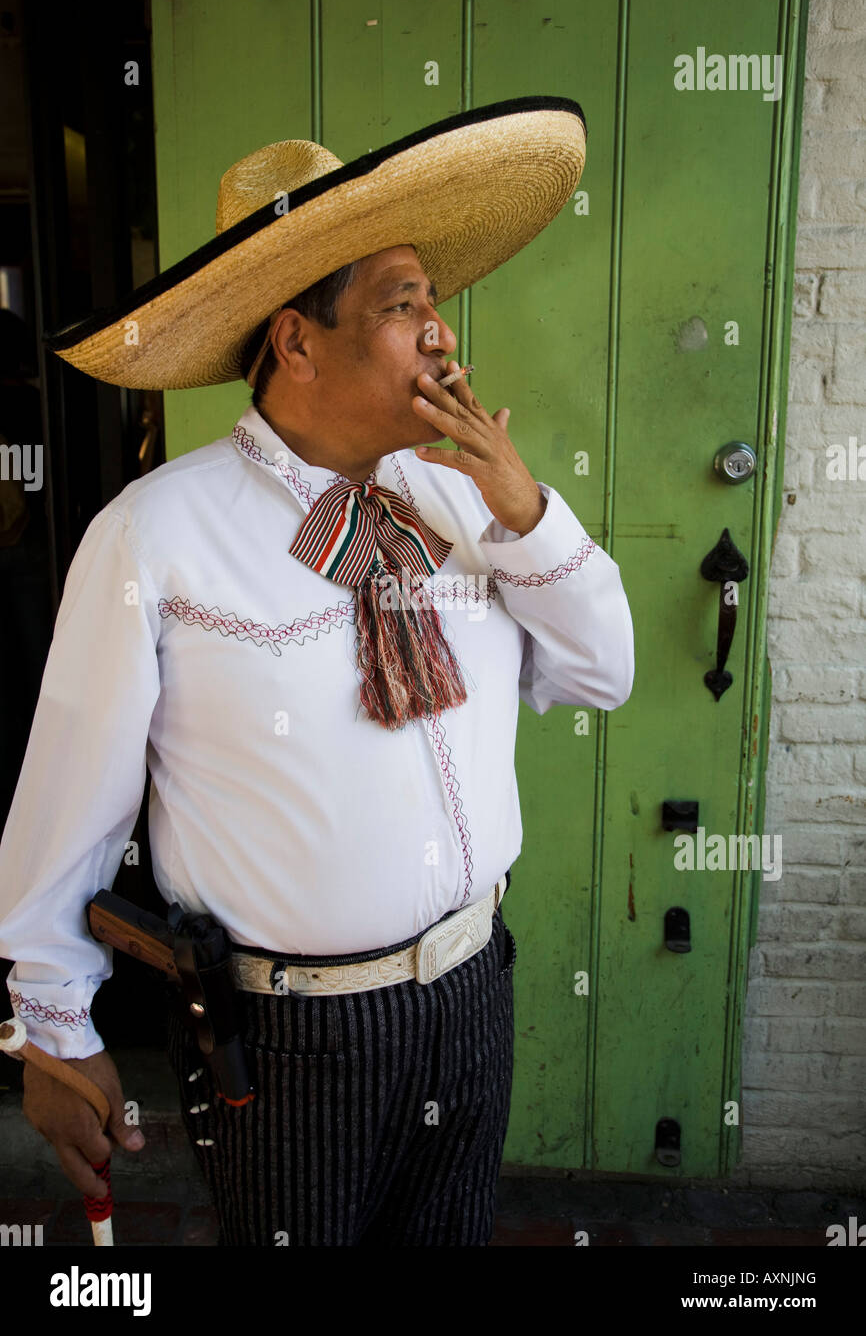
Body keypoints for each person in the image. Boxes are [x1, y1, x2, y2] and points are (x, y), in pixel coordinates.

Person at [0, 98, 634, 1245]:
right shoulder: (158, 535)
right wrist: (50, 1029)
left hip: (473, 987)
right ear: (295, 340)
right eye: (402, 307)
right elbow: (71, 796)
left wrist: (525, 510)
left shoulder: (458, 501)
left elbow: (601, 672)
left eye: (431, 304)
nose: (440, 333)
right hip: (295, 1042)